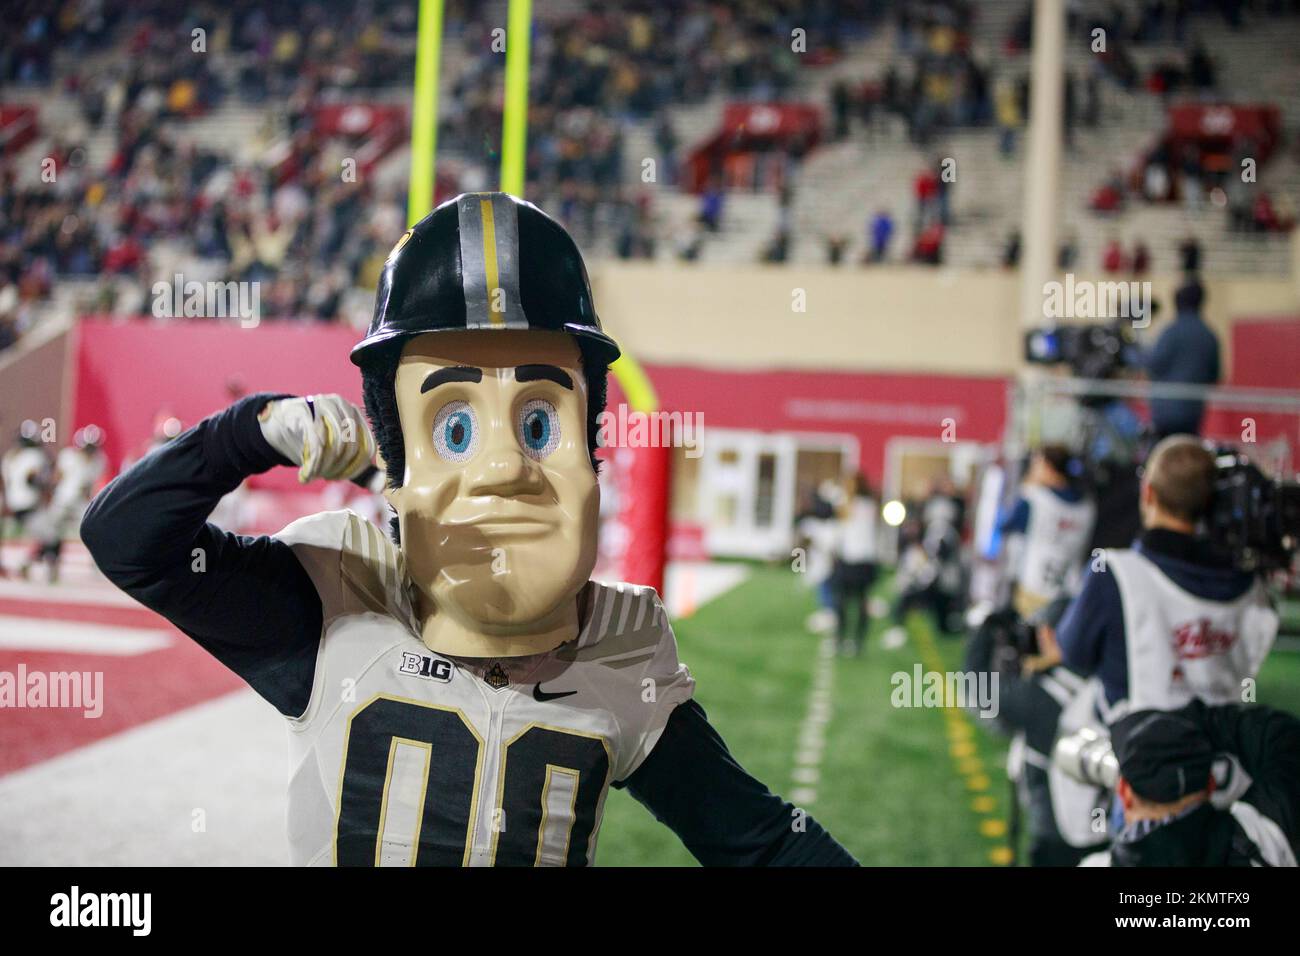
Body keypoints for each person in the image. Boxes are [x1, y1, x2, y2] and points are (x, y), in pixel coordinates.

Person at [83, 193, 856, 868]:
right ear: (396, 445)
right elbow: (127, 540)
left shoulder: (619, 646)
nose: (502, 469)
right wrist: (245, 433)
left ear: (588, 443)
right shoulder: (336, 596)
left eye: (540, 423)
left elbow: (759, 841)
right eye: (454, 428)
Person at [1054, 436, 1277, 721]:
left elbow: (1075, 655)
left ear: (1148, 492)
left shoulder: (1114, 573)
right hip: (1223, 752)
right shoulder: (1248, 584)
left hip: (1132, 752)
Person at [965, 598, 1110, 866]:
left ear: (1050, 634)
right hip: (1105, 831)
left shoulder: (1047, 694)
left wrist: (983, 633)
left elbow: (976, 692)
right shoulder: (1109, 681)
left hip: (1060, 836)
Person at [1083, 700, 1299, 866]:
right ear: (1212, 783)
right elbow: (1285, 739)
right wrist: (1199, 719)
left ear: (1124, 793)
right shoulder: (1262, 836)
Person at [999, 445, 1096, 620]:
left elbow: (1006, 524)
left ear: (1048, 466)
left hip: (1034, 586)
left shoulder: (1033, 498)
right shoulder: (1088, 504)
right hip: (1072, 588)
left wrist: (1024, 488)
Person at [1143, 278, 1219, 439]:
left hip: (1164, 414)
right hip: (1193, 413)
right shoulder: (1209, 335)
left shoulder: (1170, 333)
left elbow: (1153, 364)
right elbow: (1215, 375)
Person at [832, 473, 880, 656]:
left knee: (858, 603)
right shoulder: (853, 503)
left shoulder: (862, 505)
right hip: (851, 559)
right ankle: (843, 639)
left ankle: (855, 641)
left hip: (861, 560)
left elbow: (844, 514)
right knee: (843, 603)